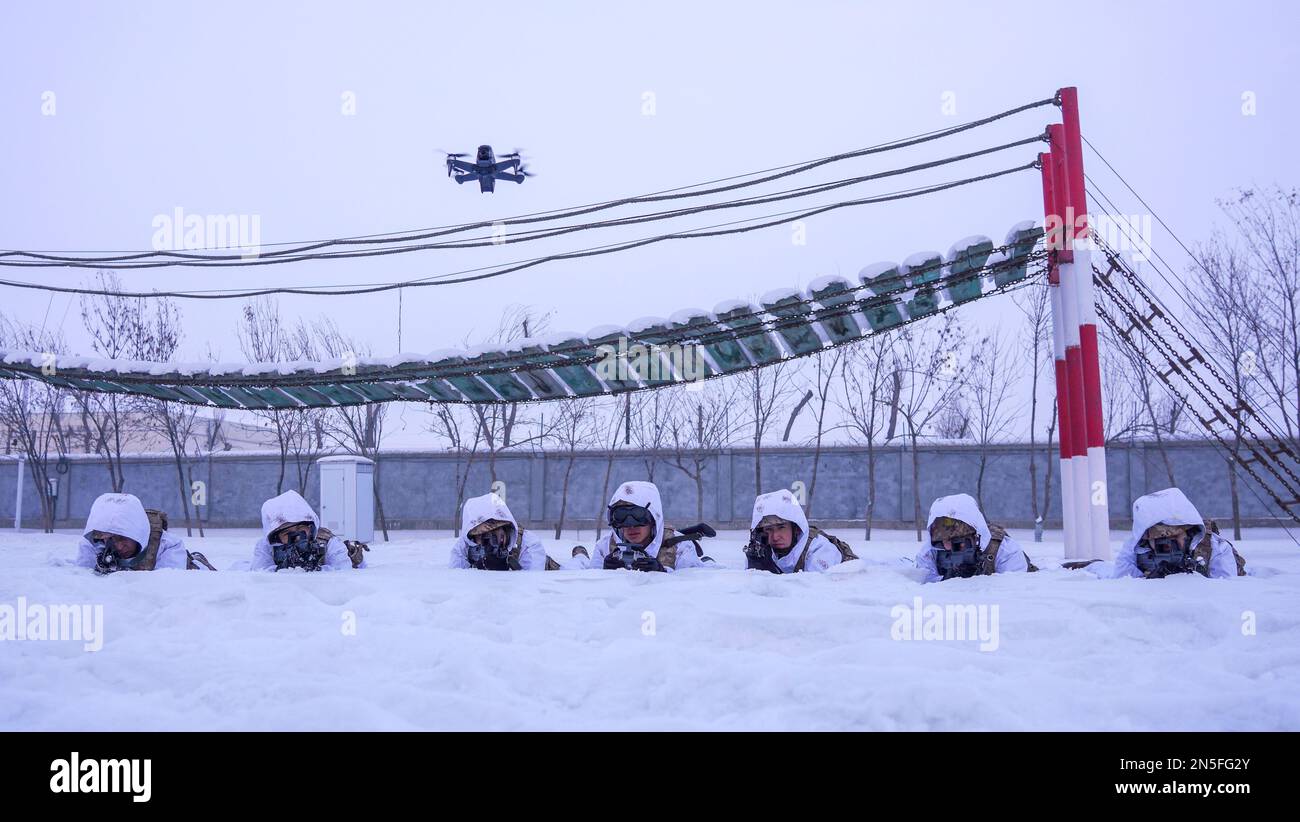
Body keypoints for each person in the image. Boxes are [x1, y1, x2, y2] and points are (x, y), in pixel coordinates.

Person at [1111, 487, 1247, 579]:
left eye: (1176, 536)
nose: (1169, 544)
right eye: (1160, 538)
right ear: (1147, 539)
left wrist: (1193, 577)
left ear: (1189, 533)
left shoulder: (1215, 547)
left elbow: (1226, 593)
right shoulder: (1135, 548)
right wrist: (1149, 581)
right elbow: (1122, 586)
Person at [589, 481, 715, 572]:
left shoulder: (681, 546)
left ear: (654, 518)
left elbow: (692, 584)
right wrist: (603, 573)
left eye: (639, 516)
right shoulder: (604, 547)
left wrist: (662, 572)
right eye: (621, 517)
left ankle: (706, 560)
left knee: (709, 566)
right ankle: (580, 553)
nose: (631, 526)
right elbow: (590, 585)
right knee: (579, 562)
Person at [915, 493, 1036, 582]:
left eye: (957, 542)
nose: (947, 547)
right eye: (941, 542)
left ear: (976, 536)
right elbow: (926, 591)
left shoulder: (1005, 551)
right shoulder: (930, 553)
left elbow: (1016, 594)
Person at [742, 489, 856, 573]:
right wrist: (757, 570)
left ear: (796, 528)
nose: (775, 536)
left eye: (781, 527)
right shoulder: (762, 550)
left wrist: (773, 575)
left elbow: (815, 597)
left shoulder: (819, 551)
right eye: (769, 529)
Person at [251, 490, 367, 572]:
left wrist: (315, 569)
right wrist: (282, 569)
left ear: (310, 527)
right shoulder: (267, 547)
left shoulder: (328, 542)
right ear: (276, 538)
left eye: (301, 528)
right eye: (287, 533)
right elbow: (259, 574)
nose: (296, 536)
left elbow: (343, 574)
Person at [76, 492, 188, 573]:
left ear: (137, 532)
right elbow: (85, 582)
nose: (119, 546)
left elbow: (167, 590)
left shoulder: (167, 546)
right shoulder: (93, 545)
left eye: (123, 538)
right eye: (110, 539)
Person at [450, 492, 557, 570]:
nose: (492, 540)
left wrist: (506, 571)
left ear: (505, 527)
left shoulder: (529, 544)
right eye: (482, 535)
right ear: (473, 537)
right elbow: (457, 579)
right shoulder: (464, 547)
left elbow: (531, 586)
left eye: (495, 532)